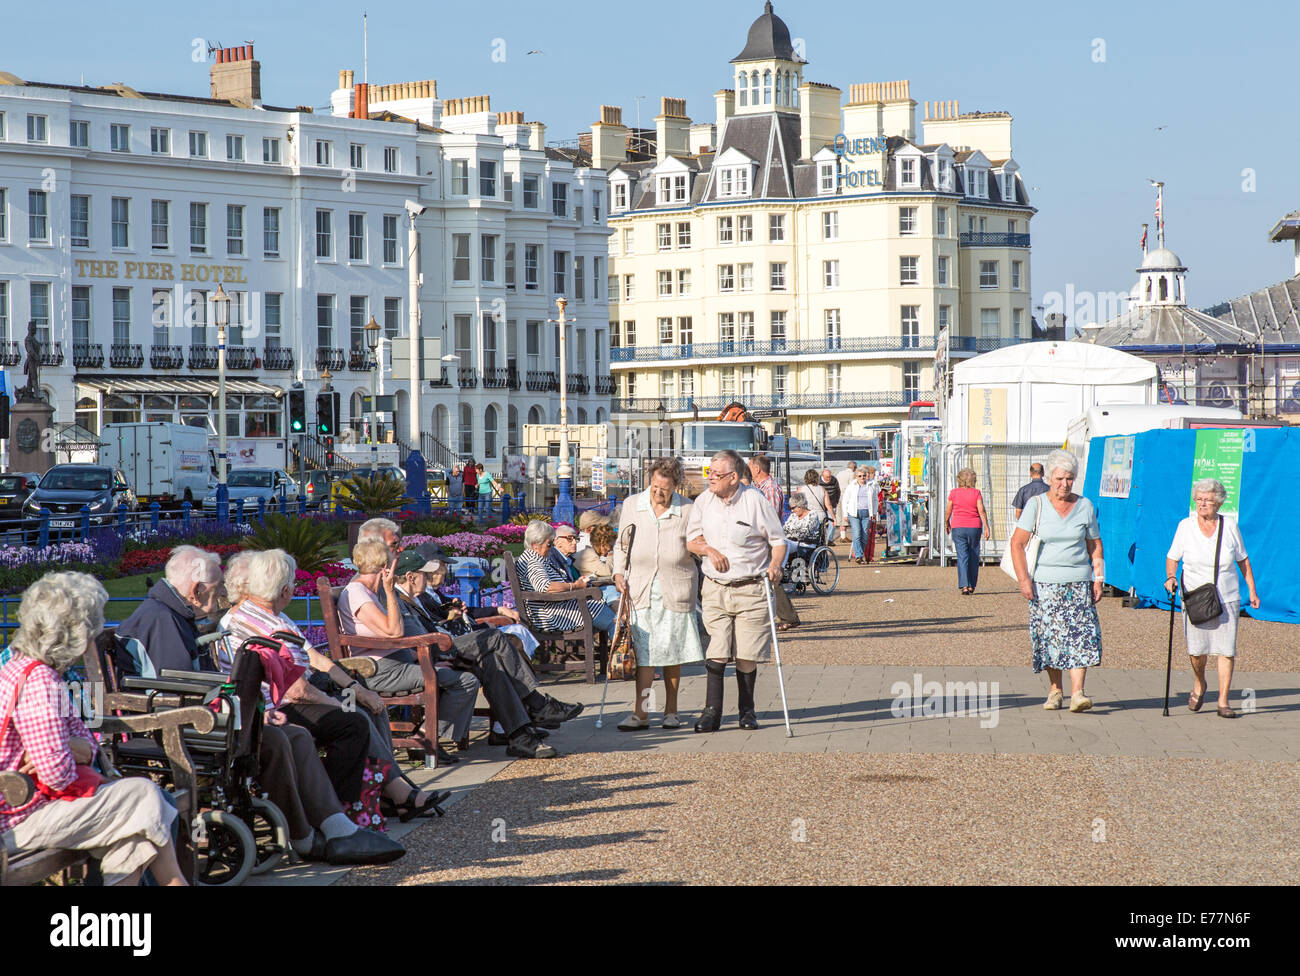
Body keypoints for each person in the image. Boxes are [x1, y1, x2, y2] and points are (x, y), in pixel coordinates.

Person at [225, 548, 448, 822]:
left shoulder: (277, 617)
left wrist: (357, 690)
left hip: (302, 692)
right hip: (280, 705)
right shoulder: (253, 622)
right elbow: (295, 691)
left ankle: (388, 791)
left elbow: (314, 656)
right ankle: (340, 808)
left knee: (367, 708)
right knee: (354, 721)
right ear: (284, 590)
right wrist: (340, 703)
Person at [0, 572, 188, 885]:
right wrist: (73, 749)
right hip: (20, 815)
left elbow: (86, 742)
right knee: (143, 795)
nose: (91, 638)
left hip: (32, 805)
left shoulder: (24, 667)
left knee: (135, 832)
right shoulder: (40, 683)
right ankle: (175, 882)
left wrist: (74, 748)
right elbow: (57, 774)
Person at [392, 550, 568, 757]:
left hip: (437, 646)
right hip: (430, 651)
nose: (429, 577)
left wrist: (450, 618)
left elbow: (432, 624)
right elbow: (408, 636)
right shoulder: (399, 600)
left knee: (493, 663)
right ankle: (537, 704)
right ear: (411, 577)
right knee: (493, 637)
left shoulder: (416, 597)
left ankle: (520, 737)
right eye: (424, 574)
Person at [338, 538, 477, 767]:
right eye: (391, 563)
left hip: (398, 664)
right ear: (383, 567)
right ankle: (424, 741)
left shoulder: (370, 592)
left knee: (463, 676)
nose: (394, 567)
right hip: (379, 670)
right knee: (465, 681)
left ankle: (424, 737)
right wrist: (391, 591)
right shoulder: (358, 592)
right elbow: (395, 631)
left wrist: (427, 661)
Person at [686, 449, 786, 732]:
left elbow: (778, 541)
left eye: (716, 475)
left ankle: (747, 710)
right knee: (716, 651)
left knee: (746, 653)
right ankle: (711, 712)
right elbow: (691, 541)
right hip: (715, 588)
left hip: (751, 588)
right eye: (709, 473)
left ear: (733, 477)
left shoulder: (755, 501)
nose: (710, 479)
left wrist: (775, 565)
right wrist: (708, 549)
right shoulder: (704, 501)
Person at [1008, 449, 1104, 713]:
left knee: (1081, 636)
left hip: (1078, 583)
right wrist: (1024, 579)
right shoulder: (1036, 505)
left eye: (1070, 478)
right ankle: (1055, 691)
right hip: (1045, 584)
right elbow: (1017, 544)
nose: (1065, 484)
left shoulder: (1085, 506)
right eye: (1060, 478)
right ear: (1050, 478)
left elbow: (1095, 544)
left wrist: (1098, 577)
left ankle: (1078, 693)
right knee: (1051, 638)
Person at [613, 456, 704, 730]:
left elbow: (698, 543)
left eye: (664, 489)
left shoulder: (688, 509)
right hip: (640, 588)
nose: (657, 493)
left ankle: (671, 711)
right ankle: (641, 713)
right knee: (645, 653)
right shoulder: (632, 505)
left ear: (675, 486)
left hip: (675, 587)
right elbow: (622, 544)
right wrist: (618, 572)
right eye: (654, 486)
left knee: (671, 652)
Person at [1165, 478, 1260, 718]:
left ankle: (1223, 700)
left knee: (1225, 650)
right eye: (1199, 499)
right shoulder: (1185, 526)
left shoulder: (1229, 526)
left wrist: (1252, 590)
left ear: (1218, 502)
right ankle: (1200, 682)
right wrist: (1170, 576)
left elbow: (1243, 560)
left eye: (1207, 499)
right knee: (1197, 651)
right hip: (1196, 597)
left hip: (1226, 597)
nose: (1202, 503)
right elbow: (1173, 557)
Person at [116, 545, 226, 672]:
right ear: (196, 591)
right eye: (218, 586)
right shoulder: (162, 620)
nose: (223, 592)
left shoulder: (173, 614)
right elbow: (176, 684)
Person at [516, 520, 619, 641]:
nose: (551, 548)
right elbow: (546, 587)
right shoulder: (533, 561)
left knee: (610, 610)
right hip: (552, 616)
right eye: (549, 544)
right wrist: (574, 586)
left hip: (557, 609)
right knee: (614, 622)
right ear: (535, 545)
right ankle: (622, 656)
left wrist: (575, 585)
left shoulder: (536, 557)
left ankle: (621, 650)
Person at [945, 468, 991, 595]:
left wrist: (946, 522)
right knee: (973, 555)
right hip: (974, 526)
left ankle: (964, 585)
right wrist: (986, 526)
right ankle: (972, 584)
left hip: (958, 526)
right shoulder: (976, 493)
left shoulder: (954, 493)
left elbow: (949, 509)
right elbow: (981, 510)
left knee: (962, 556)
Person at [843, 466, 877, 564]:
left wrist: (874, 512)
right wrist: (845, 514)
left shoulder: (871, 486)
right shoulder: (851, 486)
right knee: (857, 534)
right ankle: (858, 555)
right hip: (854, 513)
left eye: (864, 475)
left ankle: (860, 554)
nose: (862, 477)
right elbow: (845, 500)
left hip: (867, 513)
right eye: (860, 476)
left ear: (867, 476)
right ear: (856, 477)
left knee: (865, 535)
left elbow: (875, 500)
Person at [750, 455, 788, 522]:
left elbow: (771, 519)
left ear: (757, 469)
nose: (749, 472)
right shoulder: (761, 487)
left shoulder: (770, 489)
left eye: (750, 469)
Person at [834, 461, 858, 543]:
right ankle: (844, 537)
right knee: (846, 516)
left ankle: (842, 535)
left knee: (840, 516)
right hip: (847, 496)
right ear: (853, 467)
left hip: (839, 495)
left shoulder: (840, 473)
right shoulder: (852, 474)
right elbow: (852, 486)